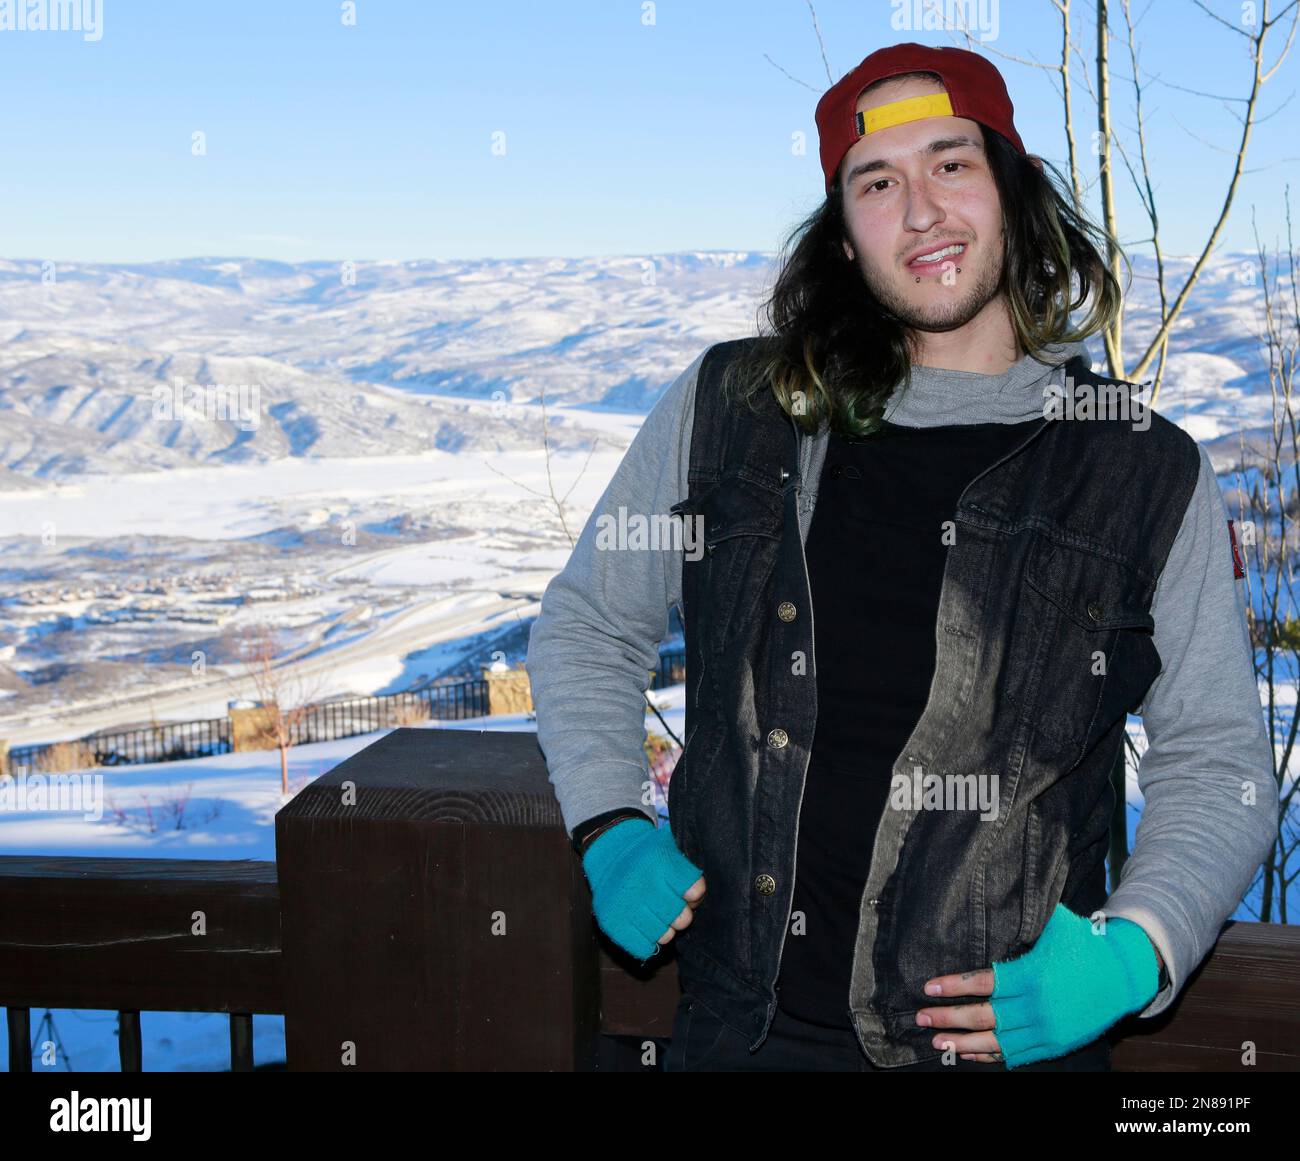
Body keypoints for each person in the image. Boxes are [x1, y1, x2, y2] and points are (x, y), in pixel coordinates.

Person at [525, 42, 1277, 1072]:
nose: (919, 209)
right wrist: (608, 822)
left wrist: (1135, 948)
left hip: (999, 1049)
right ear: (842, 236)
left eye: (950, 163)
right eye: (876, 183)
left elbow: (1218, 758)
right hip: (737, 1035)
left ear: (1014, 194)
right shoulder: (731, 411)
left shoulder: (1144, 473)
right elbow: (590, 624)